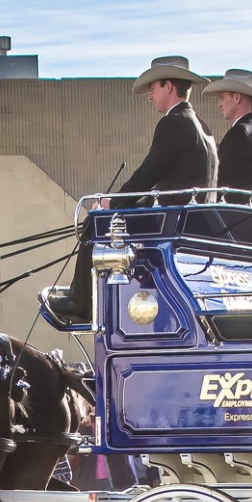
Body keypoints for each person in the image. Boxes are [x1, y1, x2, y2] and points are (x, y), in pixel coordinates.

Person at [43, 55, 217, 326]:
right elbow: (176, 182)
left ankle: (80, 302)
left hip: (168, 222)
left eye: (154, 88)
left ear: (168, 86)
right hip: (186, 221)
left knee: (95, 224)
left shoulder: (174, 123)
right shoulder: (202, 128)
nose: (150, 96)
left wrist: (114, 203)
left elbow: (148, 173)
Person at [202, 68, 252, 201]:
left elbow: (218, 187)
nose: (219, 104)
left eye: (222, 97)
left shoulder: (238, 134)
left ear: (236, 97)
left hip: (233, 219)